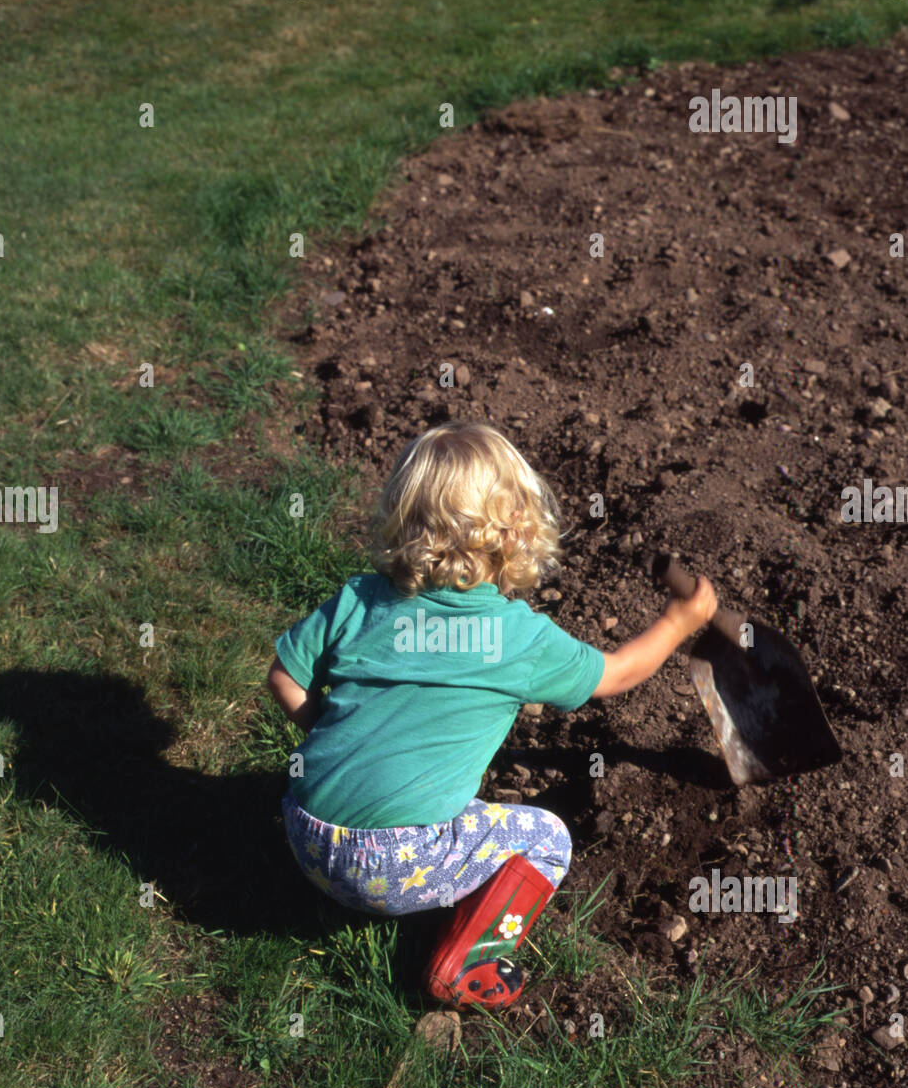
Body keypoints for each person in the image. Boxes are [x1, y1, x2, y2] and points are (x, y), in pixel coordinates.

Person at [267, 421, 716, 1010]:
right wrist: (680, 622)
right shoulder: (514, 636)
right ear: (515, 530)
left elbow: (283, 676)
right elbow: (618, 675)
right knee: (547, 839)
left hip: (304, 834)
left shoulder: (362, 599)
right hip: (389, 871)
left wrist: (333, 733)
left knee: (449, 810)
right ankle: (467, 961)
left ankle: (371, 886)